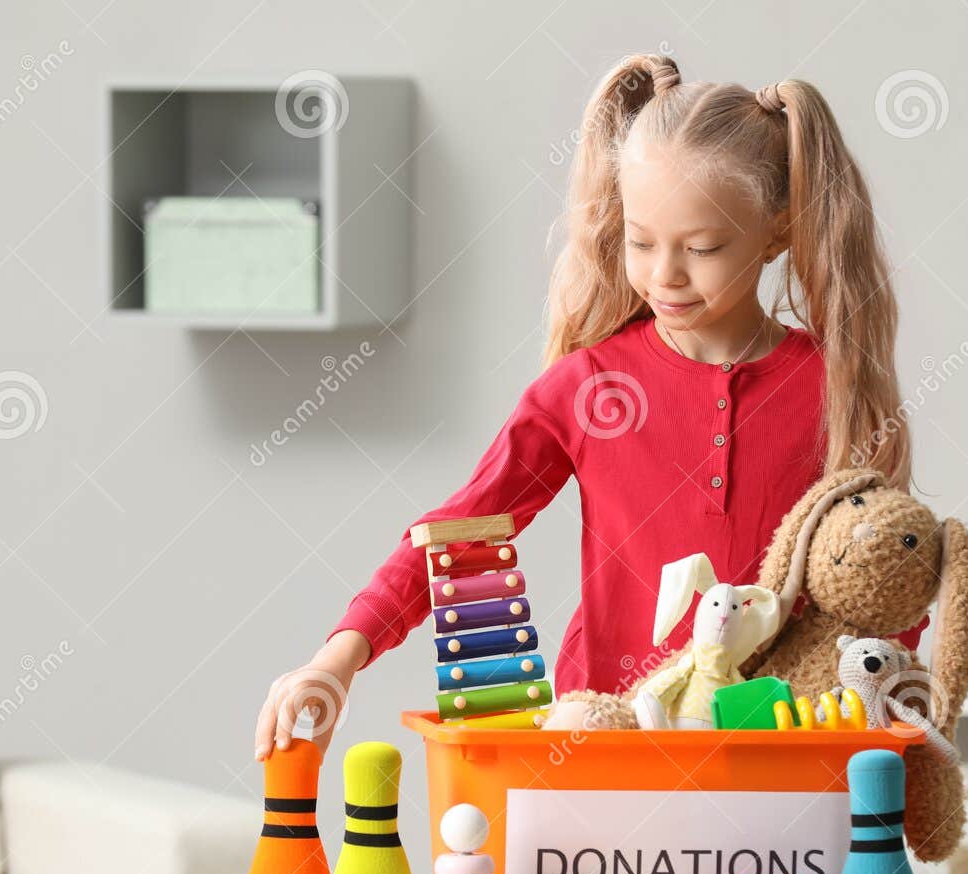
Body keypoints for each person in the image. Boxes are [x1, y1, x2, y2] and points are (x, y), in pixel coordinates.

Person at [255, 54, 922, 761]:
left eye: (702, 247)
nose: (664, 274)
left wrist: (889, 720)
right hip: (597, 746)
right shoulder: (587, 386)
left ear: (778, 229)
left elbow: (888, 581)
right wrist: (340, 655)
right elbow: (458, 530)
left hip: (781, 758)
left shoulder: (834, 386)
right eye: (640, 241)